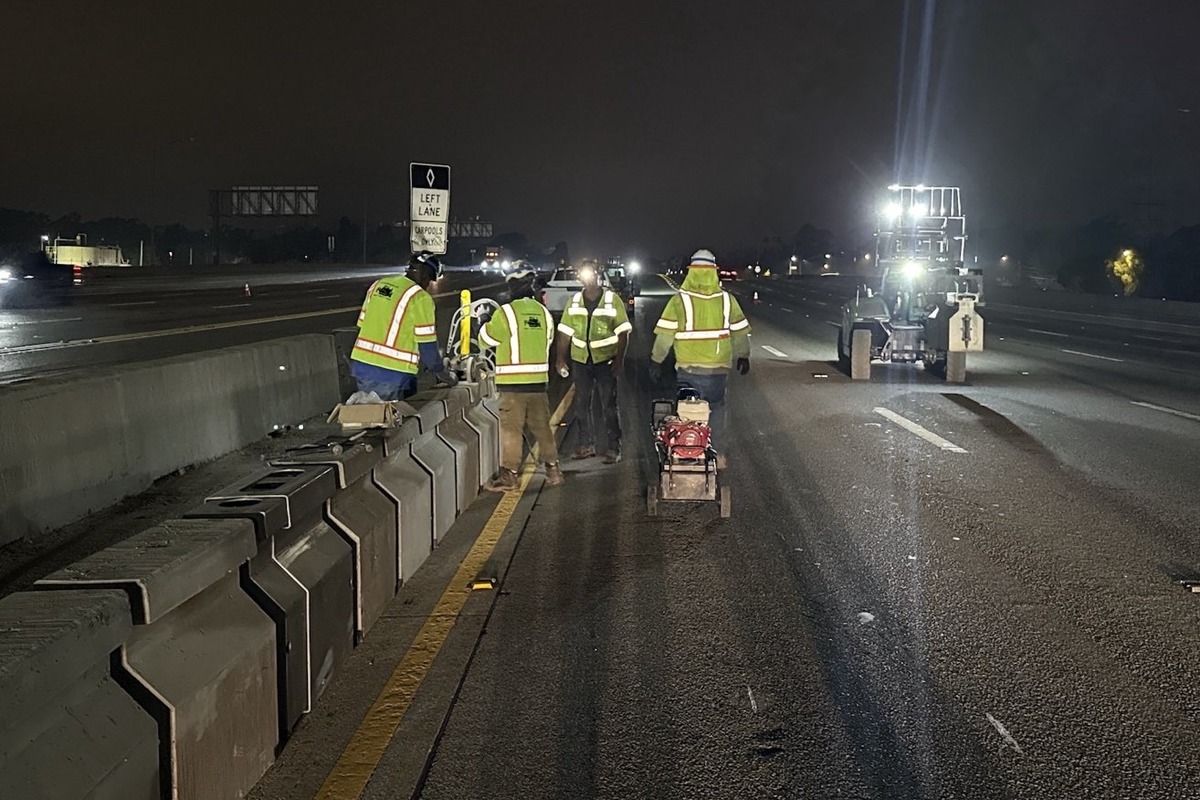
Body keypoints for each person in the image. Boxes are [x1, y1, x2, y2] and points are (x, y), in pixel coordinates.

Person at [649, 248, 751, 451]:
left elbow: (664, 337)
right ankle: (716, 452)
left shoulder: (679, 300)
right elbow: (740, 332)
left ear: (691, 272)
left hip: (689, 368)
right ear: (714, 271)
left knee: (687, 411)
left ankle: (687, 449)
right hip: (718, 369)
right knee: (716, 408)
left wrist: (656, 361)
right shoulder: (726, 300)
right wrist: (743, 356)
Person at [481, 268, 564, 491]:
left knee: (511, 430)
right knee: (542, 428)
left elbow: (486, 339)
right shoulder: (544, 313)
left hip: (512, 384)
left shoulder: (506, 312)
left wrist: (484, 321)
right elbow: (548, 341)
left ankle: (509, 475)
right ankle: (553, 470)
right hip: (538, 383)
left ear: (512, 288)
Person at [349, 251, 456, 401]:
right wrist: (443, 374)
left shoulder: (378, 285)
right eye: (429, 280)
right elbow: (427, 345)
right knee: (391, 419)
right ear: (425, 275)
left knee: (370, 415)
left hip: (362, 366)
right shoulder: (420, 298)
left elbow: (362, 323)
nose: (427, 285)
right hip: (392, 372)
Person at [555, 264, 632, 464]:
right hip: (581, 361)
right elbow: (564, 332)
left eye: (592, 274)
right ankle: (585, 445)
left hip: (605, 361)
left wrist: (619, 359)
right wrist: (560, 358)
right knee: (581, 405)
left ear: (598, 277)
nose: (588, 279)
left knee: (608, 405)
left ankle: (614, 448)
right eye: (584, 275)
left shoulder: (611, 300)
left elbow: (623, 332)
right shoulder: (574, 302)